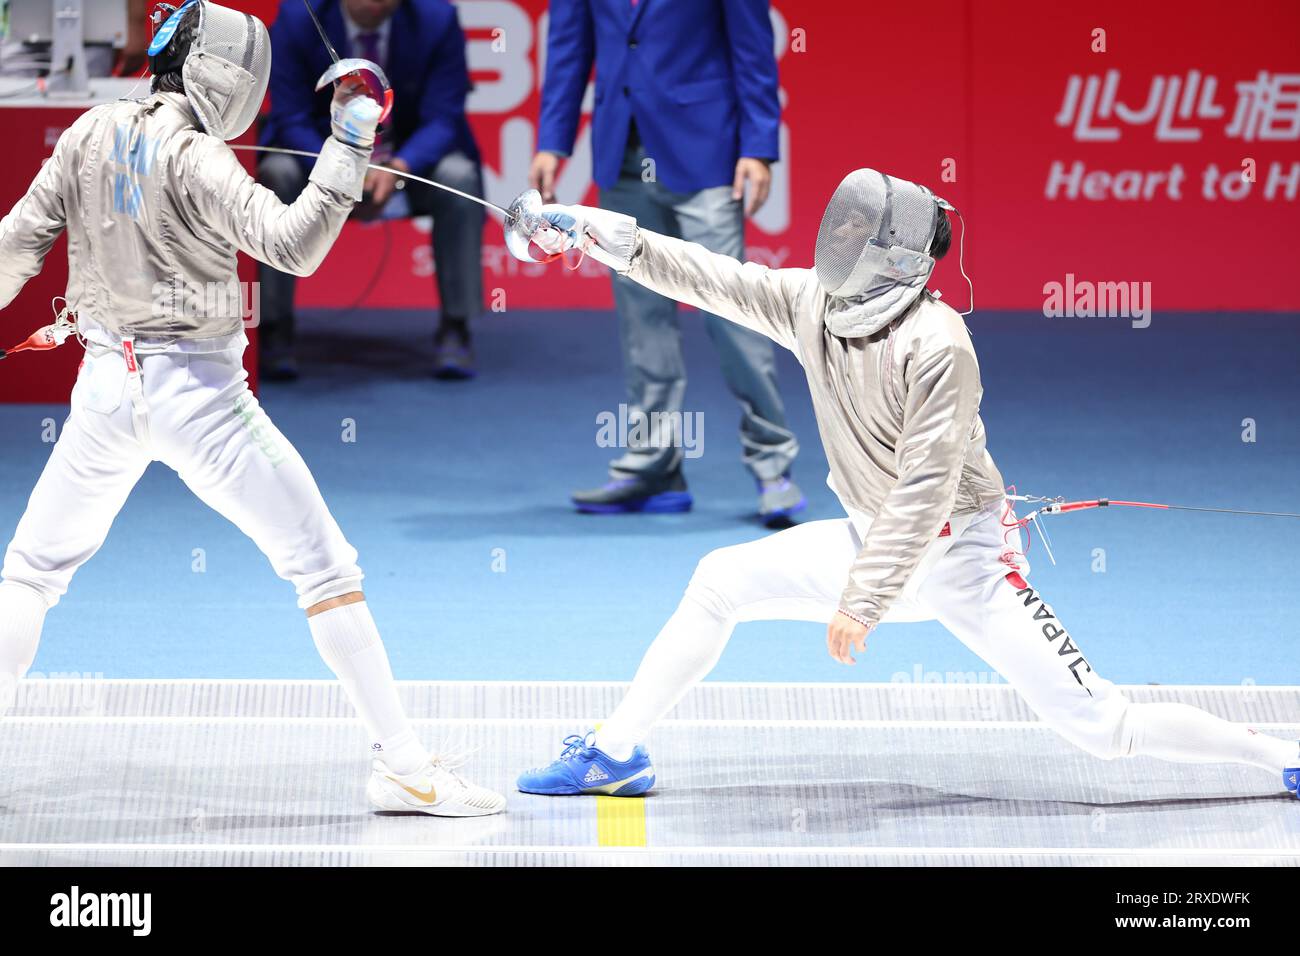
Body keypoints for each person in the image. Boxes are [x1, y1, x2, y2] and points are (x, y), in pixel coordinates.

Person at [514, 170, 1300, 799]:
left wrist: (865, 597)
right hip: (869, 535)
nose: (842, 237)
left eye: (861, 230)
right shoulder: (814, 303)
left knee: (1102, 726)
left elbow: (924, 487)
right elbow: (715, 276)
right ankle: (614, 756)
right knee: (718, 580)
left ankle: (1279, 757)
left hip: (962, 556)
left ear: (897, 255)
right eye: (844, 223)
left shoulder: (939, 344)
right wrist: (603, 235)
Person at [0, 0, 503, 817]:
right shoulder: (200, 159)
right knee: (325, 570)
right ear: (229, 78)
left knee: (29, 573)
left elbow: (15, 245)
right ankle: (404, 767)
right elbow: (294, 245)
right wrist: (349, 143)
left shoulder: (89, 133)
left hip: (101, 392)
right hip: (201, 400)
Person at [533, 0, 805, 523]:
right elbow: (567, 49)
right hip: (621, 154)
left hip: (706, 154)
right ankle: (654, 463)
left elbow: (752, 49)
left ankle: (773, 464)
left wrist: (759, 145)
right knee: (643, 317)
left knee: (736, 312)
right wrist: (553, 139)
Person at [258, 0, 484, 381]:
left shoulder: (436, 18)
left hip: (404, 166)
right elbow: (290, 116)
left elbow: (444, 117)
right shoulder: (300, 18)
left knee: (459, 177)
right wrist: (341, 172)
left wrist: (397, 168)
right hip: (319, 162)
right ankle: (274, 327)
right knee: (275, 172)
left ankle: (456, 326)